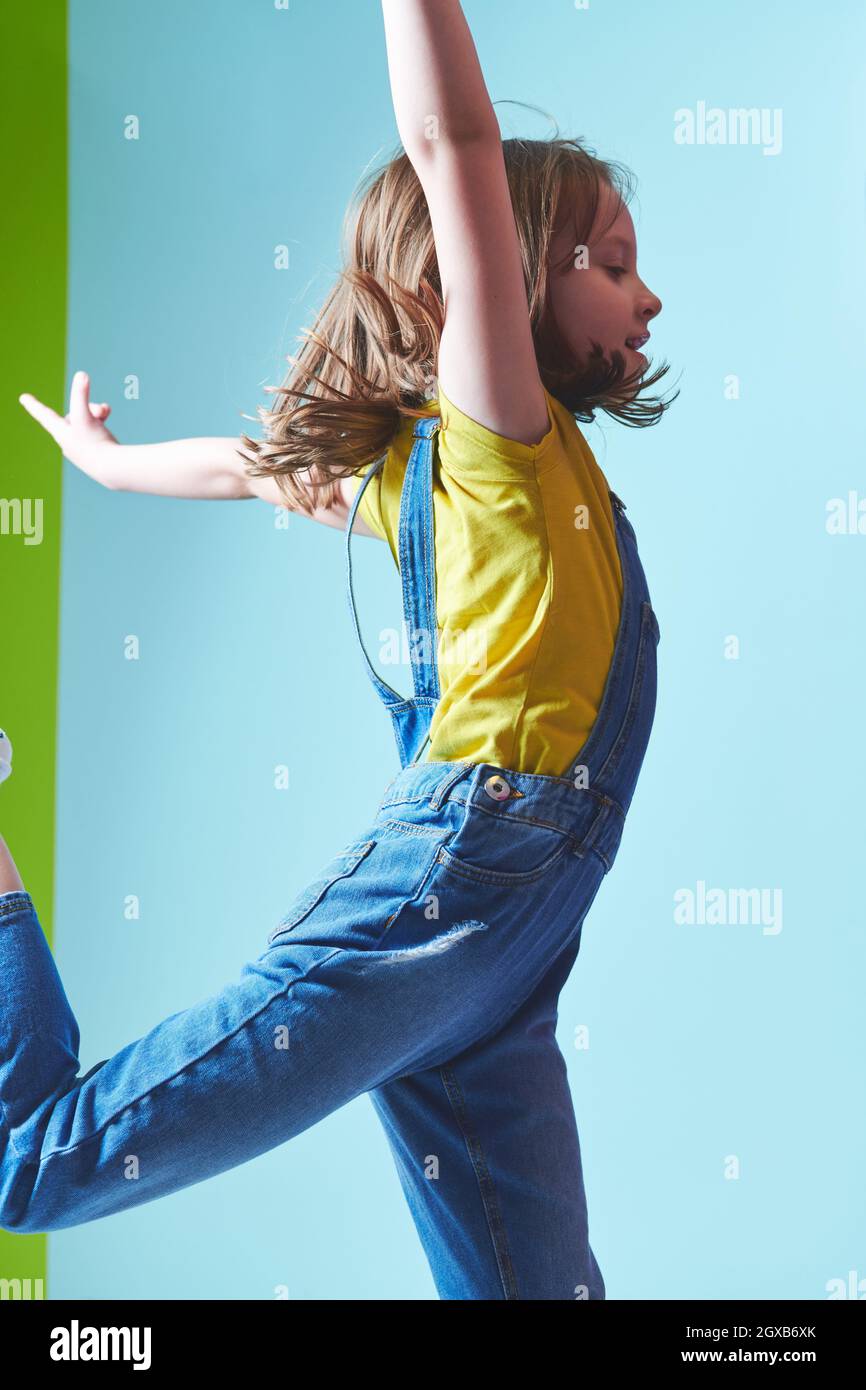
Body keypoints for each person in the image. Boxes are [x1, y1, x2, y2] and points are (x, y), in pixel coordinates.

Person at [4, 0, 675, 1298]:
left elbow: (247, 469)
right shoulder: (494, 439)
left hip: (511, 947)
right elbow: (454, 141)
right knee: (39, 1161)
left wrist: (105, 463)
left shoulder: (423, 478)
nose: (646, 294)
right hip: (453, 880)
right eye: (607, 259)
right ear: (497, 273)